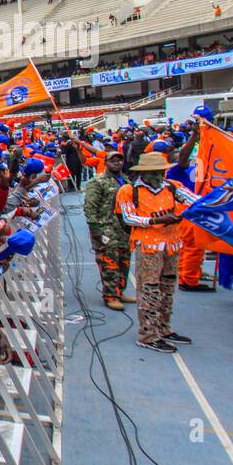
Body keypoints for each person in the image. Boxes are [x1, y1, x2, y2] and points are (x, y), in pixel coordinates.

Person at [116, 152, 198, 352]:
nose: (159, 176)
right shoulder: (129, 191)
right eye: (155, 173)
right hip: (148, 246)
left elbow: (196, 201)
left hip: (171, 244)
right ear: (145, 173)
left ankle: (163, 327)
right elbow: (128, 217)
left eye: (161, 172)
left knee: (168, 287)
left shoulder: (172, 187)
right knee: (149, 289)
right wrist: (155, 221)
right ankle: (148, 333)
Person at [82, 149, 133, 310]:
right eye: (113, 161)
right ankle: (110, 295)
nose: (117, 163)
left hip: (124, 228)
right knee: (109, 262)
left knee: (124, 261)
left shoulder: (125, 180)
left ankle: (119, 291)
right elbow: (90, 206)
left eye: (119, 160)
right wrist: (95, 228)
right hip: (105, 228)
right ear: (106, 163)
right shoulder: (97, 182)